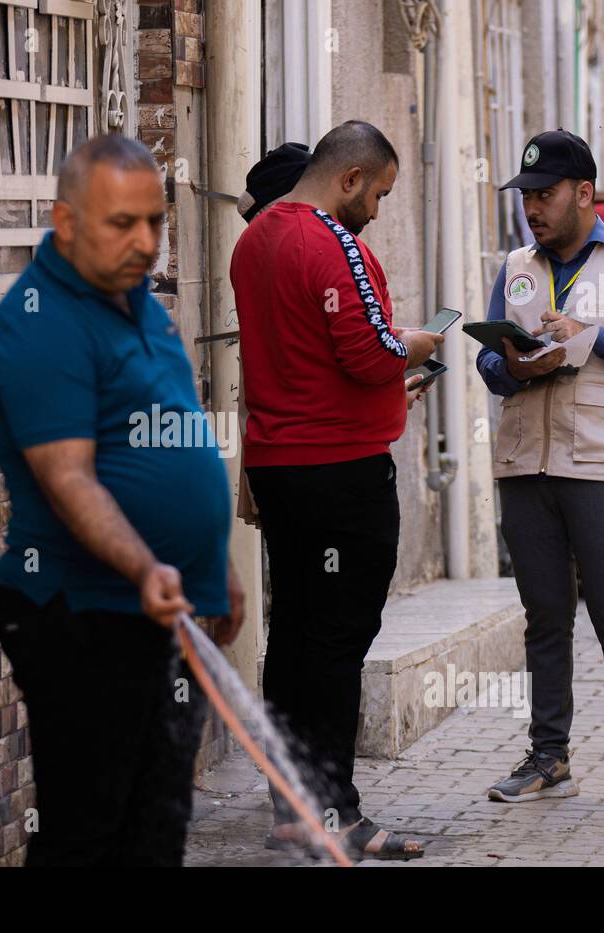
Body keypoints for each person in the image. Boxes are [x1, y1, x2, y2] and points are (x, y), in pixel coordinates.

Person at [0, 134, 243, 866]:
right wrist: (144, 567)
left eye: (155, 222)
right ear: (65, 222)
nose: (145, 242)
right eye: (122, 224)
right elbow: (70, 481)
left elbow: (176, 436)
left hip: (159, 607)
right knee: (90, 832)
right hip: (81, 612)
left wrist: (218, 566)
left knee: (156, 825)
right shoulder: (38, 324)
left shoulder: (137, 303)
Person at [230, 121, 442, 860]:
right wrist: (417, 343)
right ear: (348, 177)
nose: (378, 211)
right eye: (378, 192)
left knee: (295, 635)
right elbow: (368, 350)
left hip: (285, 465)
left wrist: (382, 387)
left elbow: (304, 358)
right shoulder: (329, 241)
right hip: (339, 475)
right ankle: (335, 811)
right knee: (338, 645)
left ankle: (292, 803)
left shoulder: (254, 240)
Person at [476, 129, 604, 814]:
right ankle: (548, 757)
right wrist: (508, 363)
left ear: (584, 193)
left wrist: (590, 340)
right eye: (527, 196)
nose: (532, 207)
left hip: (603, 468)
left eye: (544, 195)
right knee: (543, 617)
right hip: (524, 466)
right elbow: (488, 360)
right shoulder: (514, 266)